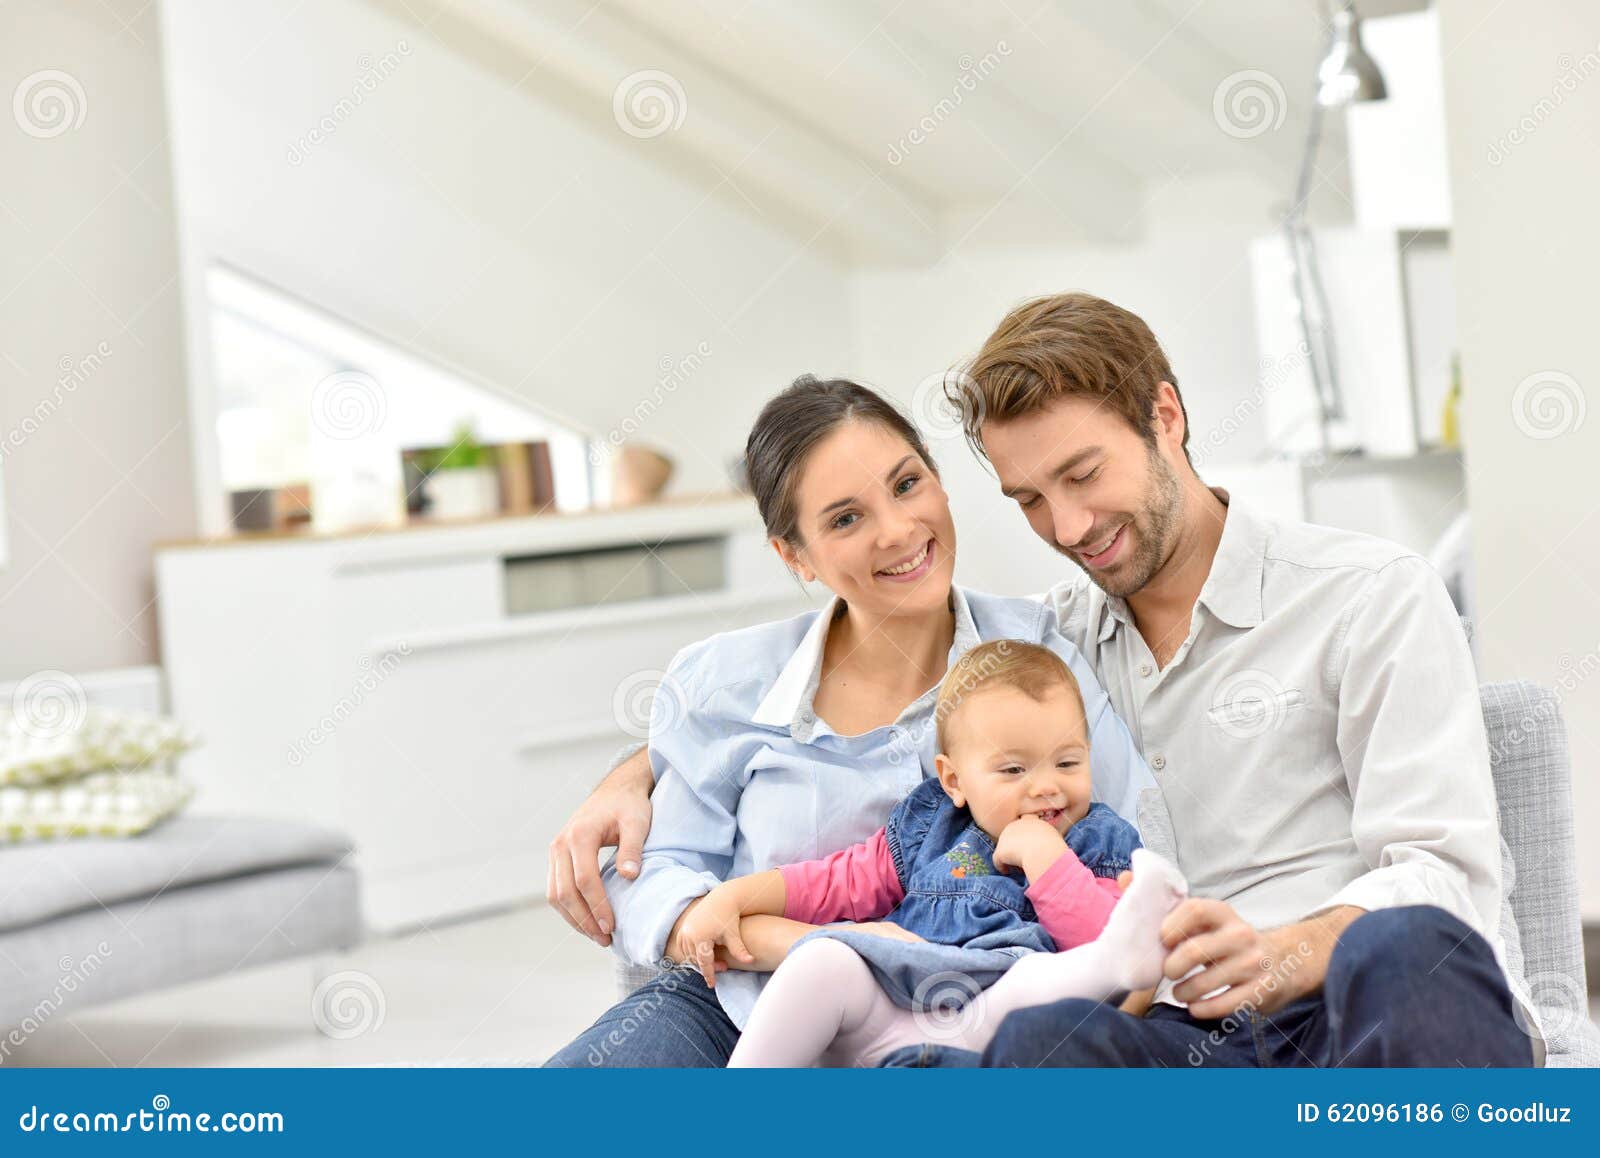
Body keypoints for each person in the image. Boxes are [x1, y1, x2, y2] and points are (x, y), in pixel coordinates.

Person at [551, 294, 1537, 1068]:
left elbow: (1447, 877)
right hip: (1189, 1034)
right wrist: (637, 772)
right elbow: (886, 718)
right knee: (1035, 1045)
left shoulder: (1365, 597)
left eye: (1082, 474)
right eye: (1027, 498)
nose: (1067, 529)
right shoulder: (1047, 646)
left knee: (1402, 945)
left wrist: (1292, 948)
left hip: (1359, 1010)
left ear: (1165, 414)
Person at [542, 375, 1154, 1067]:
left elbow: (1124, 845)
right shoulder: (723, 680)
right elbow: (658, 875)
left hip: (966, 1017)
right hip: (739, 1006)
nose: (898, 531)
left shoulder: (1039, 653)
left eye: (905, 484)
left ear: (939, 478)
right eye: (844, 518)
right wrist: (791, 942)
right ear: (793, 554)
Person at [711, 641, 1189, 1067]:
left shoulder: (1096, 840)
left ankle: (1127, 955)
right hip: (889, 1007)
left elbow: (1093, 938)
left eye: (1067, 762)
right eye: (1014, 769)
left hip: (985, 1024)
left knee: (1039, 983)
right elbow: (837, 883)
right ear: (955, 780)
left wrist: (1047, 859)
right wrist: (737, 896)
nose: (1046, 787)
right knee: (821, 960)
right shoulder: (930, 825)